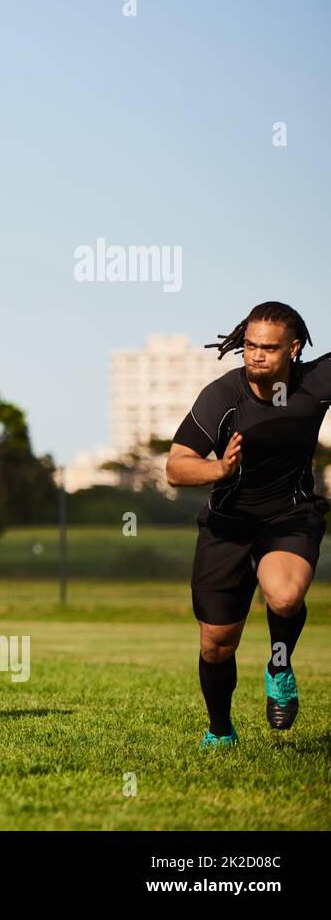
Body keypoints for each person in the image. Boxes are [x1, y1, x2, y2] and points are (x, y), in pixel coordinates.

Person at [167, 301, 330, 747]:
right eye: (249, 346)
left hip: (289, 516)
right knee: (217, 644)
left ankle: (279, 665)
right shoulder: (223, 397)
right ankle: (220, 730)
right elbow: (176, 467)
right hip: (228, 526)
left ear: (293, 349)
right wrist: (218, 470)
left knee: (285, 594)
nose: (255, 355)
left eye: (268, 348)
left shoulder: (315, 383)